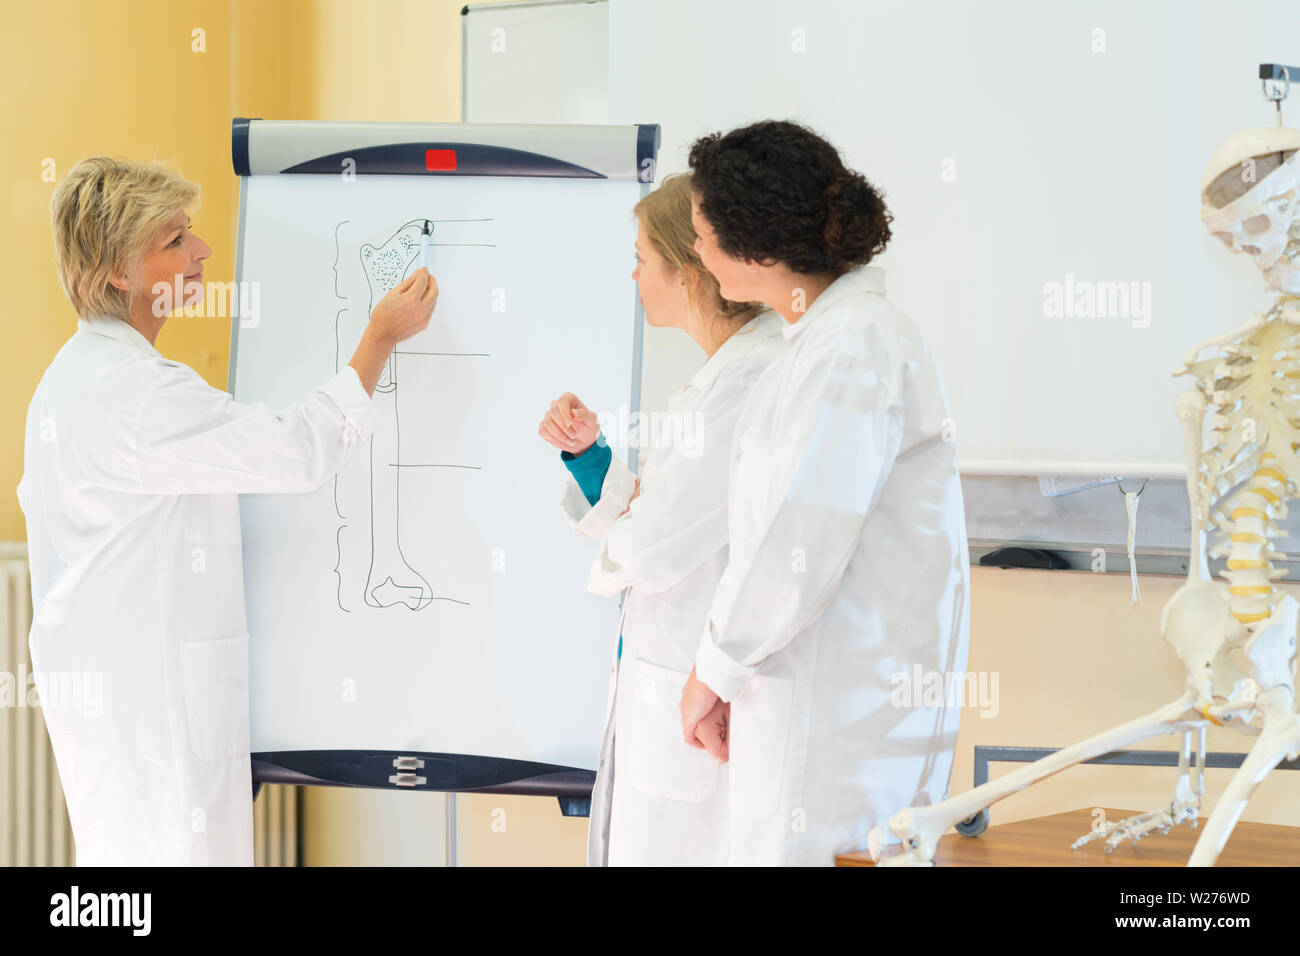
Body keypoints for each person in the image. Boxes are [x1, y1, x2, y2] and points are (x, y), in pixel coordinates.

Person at [19, 156, 438, 865]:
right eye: (176, 239)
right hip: (149, 712)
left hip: (126, 702)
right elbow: (295, 451)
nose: (203, 250)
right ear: (121, 272)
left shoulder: (79, 378)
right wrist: (379, 340)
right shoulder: (132, 395)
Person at [679, 120, 971, 865]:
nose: (699, 254)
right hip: (816, 704)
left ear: (760, 248)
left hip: (840, 728)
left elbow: (797, 546)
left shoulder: (850, 346)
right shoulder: (821, 339)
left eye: (705, 235)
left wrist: (713, 673)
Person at [536, 174, 783, 865]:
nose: (634, 271)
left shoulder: (746, 382)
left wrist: (628, 519)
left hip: (692, 700)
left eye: (643, 255)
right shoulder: (715, 381)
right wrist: (593, 462)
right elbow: (662, 521)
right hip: (667, 682)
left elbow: (649, 550)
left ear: (690, 271)